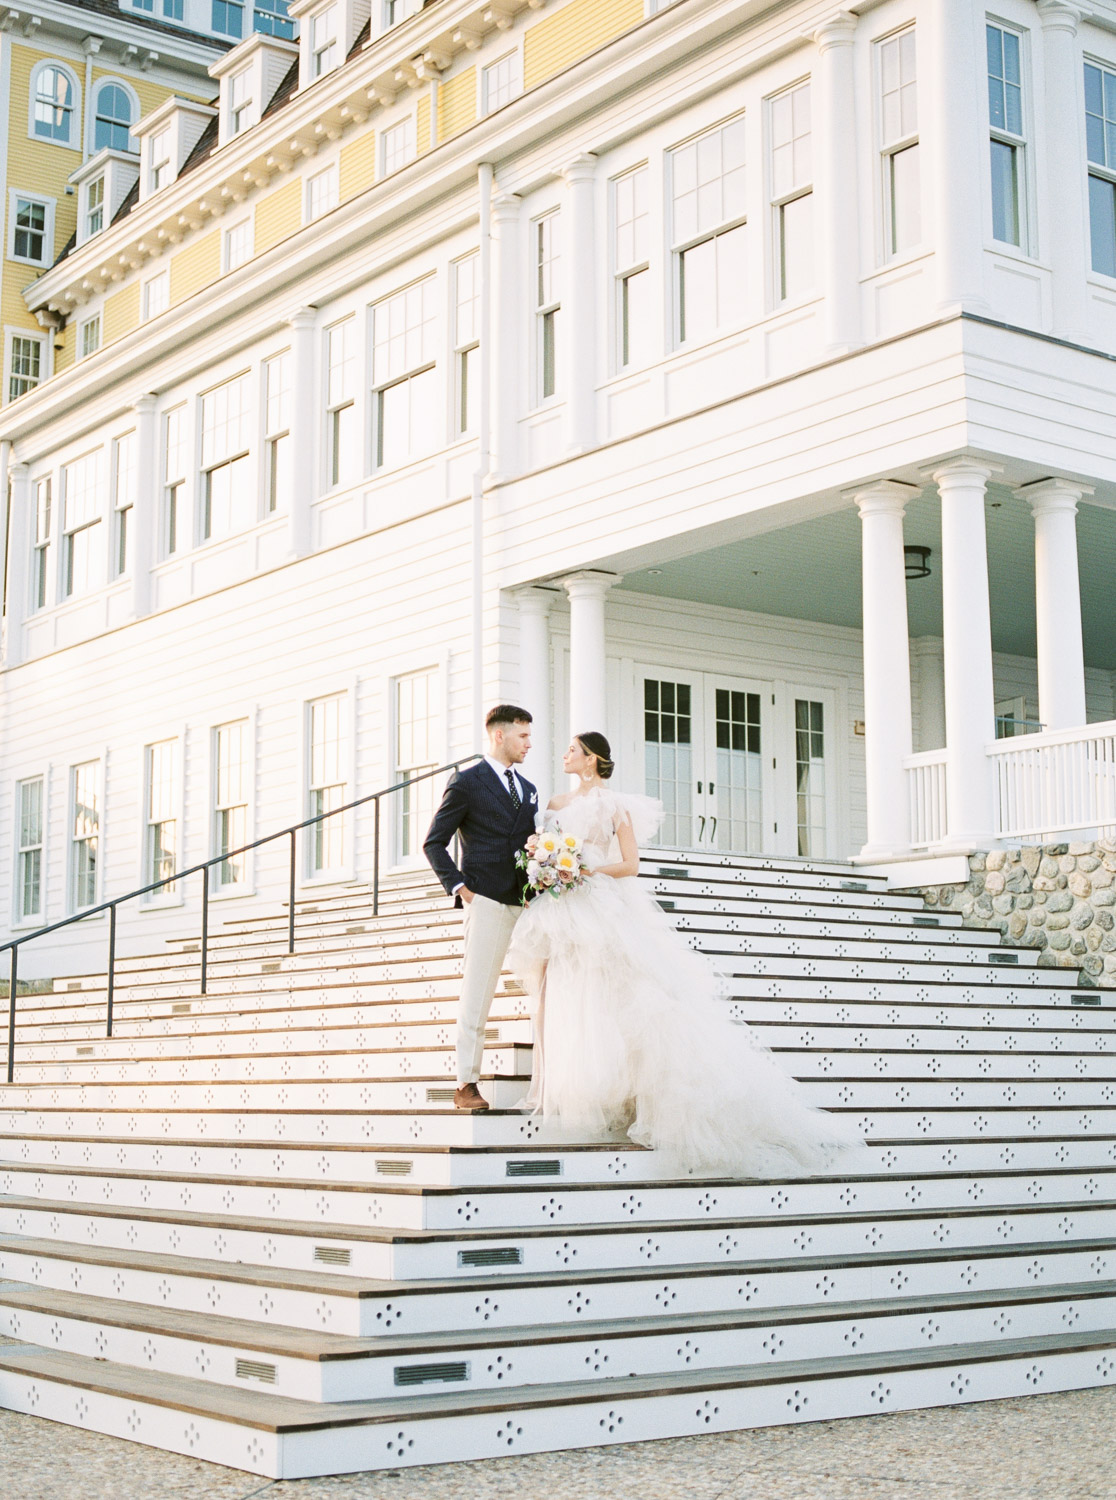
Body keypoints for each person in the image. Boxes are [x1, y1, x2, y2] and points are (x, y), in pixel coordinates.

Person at [506, 731, 862, 1176]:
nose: (565, 754)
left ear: (593, 759)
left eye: (572, 750)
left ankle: (627, 1093)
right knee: (562, 991)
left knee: (617, 992)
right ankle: (559, 1086)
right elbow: (540, 847)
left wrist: (585, 867)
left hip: (598, 898)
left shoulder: (615, 806)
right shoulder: (555, 806)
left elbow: (631, 864)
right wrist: (548, 865)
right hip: (563, 906)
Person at [424, 705, 538, 1111]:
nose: (529, 743)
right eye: (522, 736)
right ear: (499, 736)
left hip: (528, 904)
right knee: (477, 995)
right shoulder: (467, 782)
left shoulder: (529, 789)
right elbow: (433, 841)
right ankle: (465, 1084)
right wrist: (460, 888)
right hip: (486, 900)